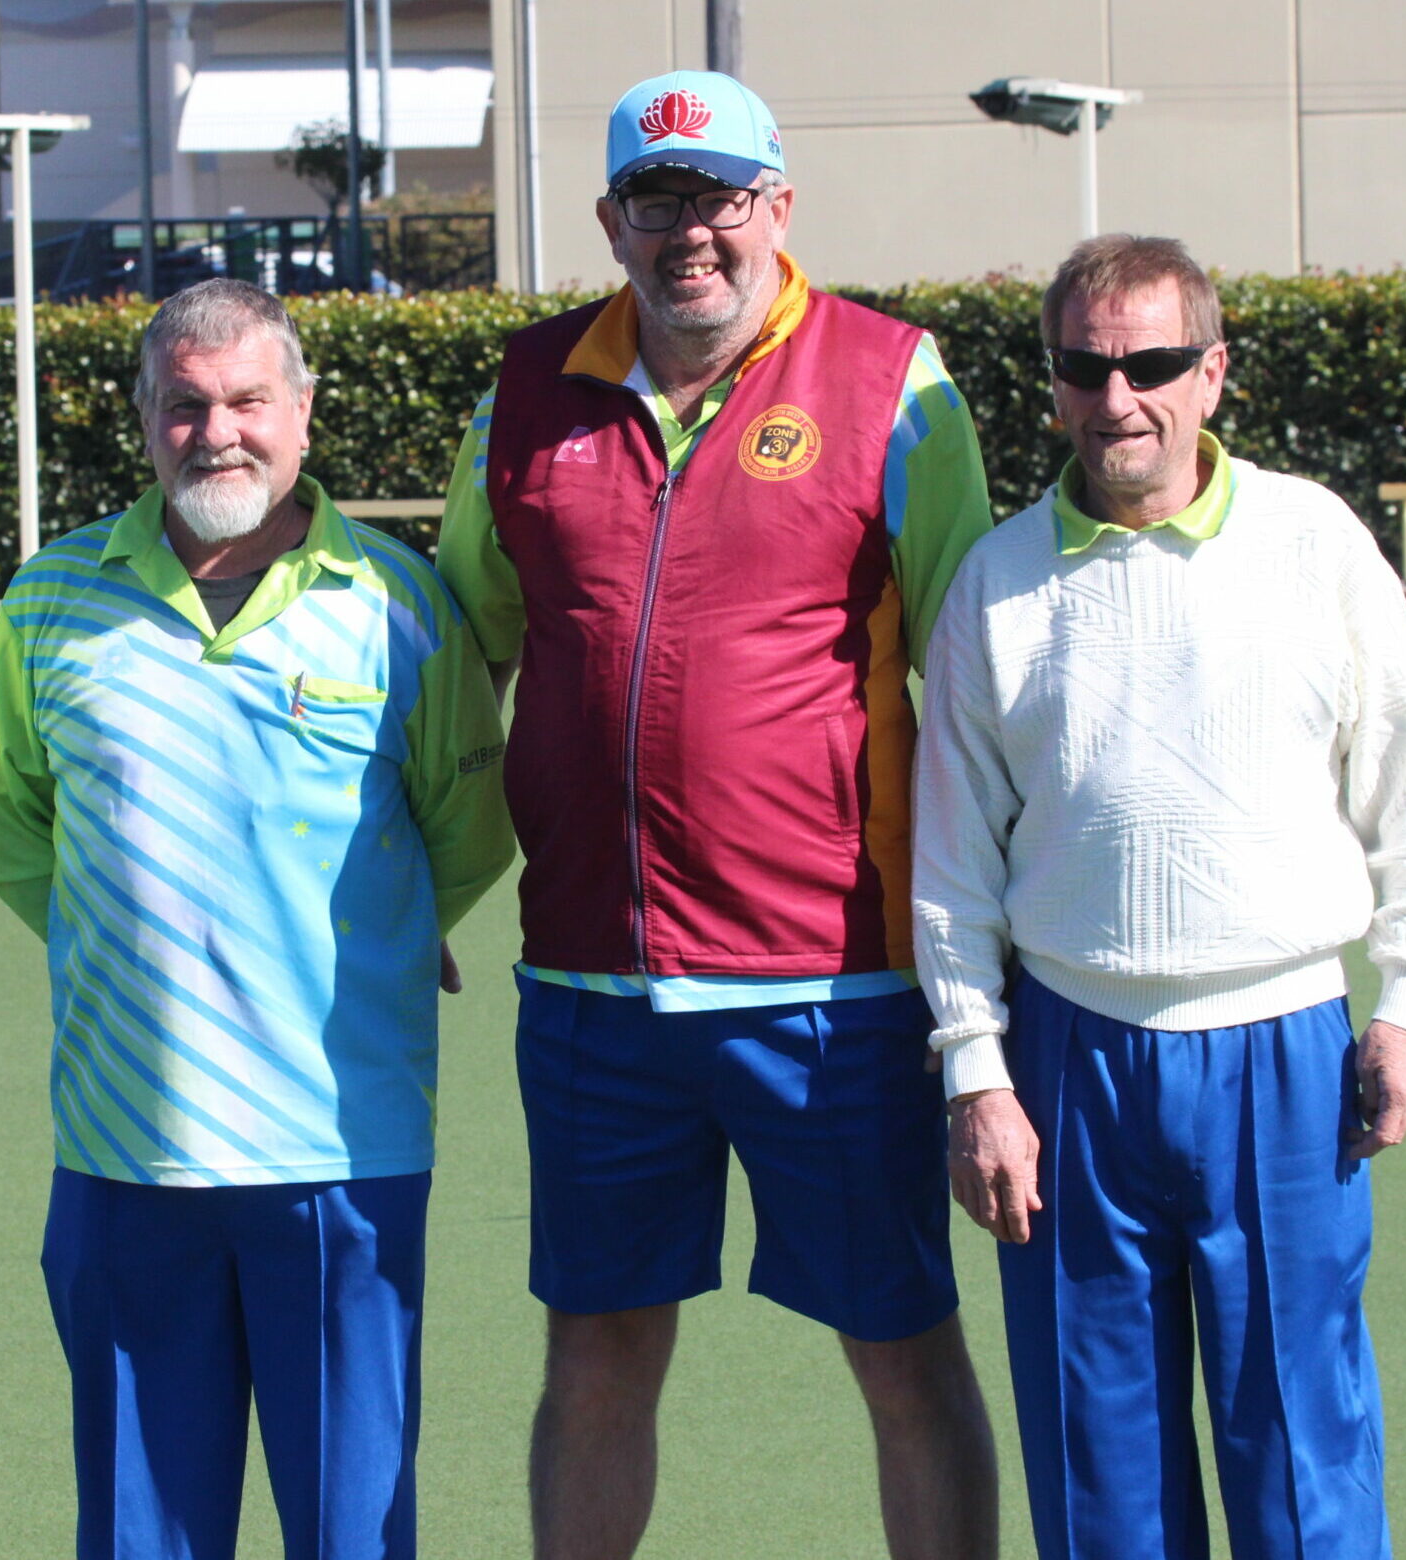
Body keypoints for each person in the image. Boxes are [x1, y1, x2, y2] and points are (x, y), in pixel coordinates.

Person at [435, 71, 1003, 1560]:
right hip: (586, 984)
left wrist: (993, 949)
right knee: (595, 1358)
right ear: (613, 219)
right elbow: (450, 659)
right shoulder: (523, 388)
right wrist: (418, 887)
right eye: (658, 200)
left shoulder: (893, 379)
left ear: (777, 209)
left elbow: (976, 674)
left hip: (833, 982)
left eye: (722, 197)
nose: (692, 233)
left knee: (899, 1353)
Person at [912, 234, 1406, 1560]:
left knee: (1298, 1444)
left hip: (1283, 1056)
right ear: (1050, 386)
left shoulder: (1311, 546)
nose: (1118, 399)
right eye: (1084, 368)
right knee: (1096, 1461)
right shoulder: (993, 585)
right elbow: (949, 868)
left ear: (1211, 373)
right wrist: (973, 1075)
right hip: (1066, 1067)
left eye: (1153, 364)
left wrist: (1401, 1004)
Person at [0, 279, 514, 1560]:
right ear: (145, 421)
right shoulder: (50, 600)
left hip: (340, 1154)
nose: (216, 432)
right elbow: (14, 831)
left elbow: (466, 830)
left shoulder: (401, 604)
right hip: (124, 1152)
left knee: (352, 1528)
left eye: (246, 402)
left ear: (303, 415)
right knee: (141, 1532)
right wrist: (149, 949)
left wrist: (362, 932)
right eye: (183, 406)